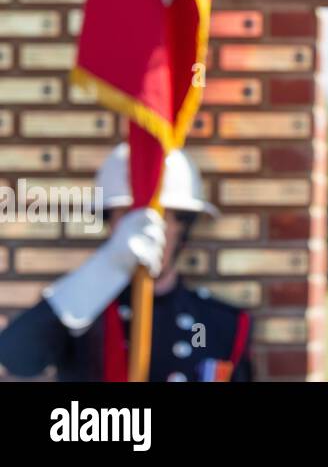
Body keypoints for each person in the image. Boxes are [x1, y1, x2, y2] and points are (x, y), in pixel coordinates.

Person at [0, 145, 253, 382]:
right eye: (128, 216)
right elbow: (16, 357)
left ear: (182, 226)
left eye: (161, 217)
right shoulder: (82, 308)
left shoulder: (212, 323)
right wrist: (108, 265)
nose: (146, 231)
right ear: (111, 224)